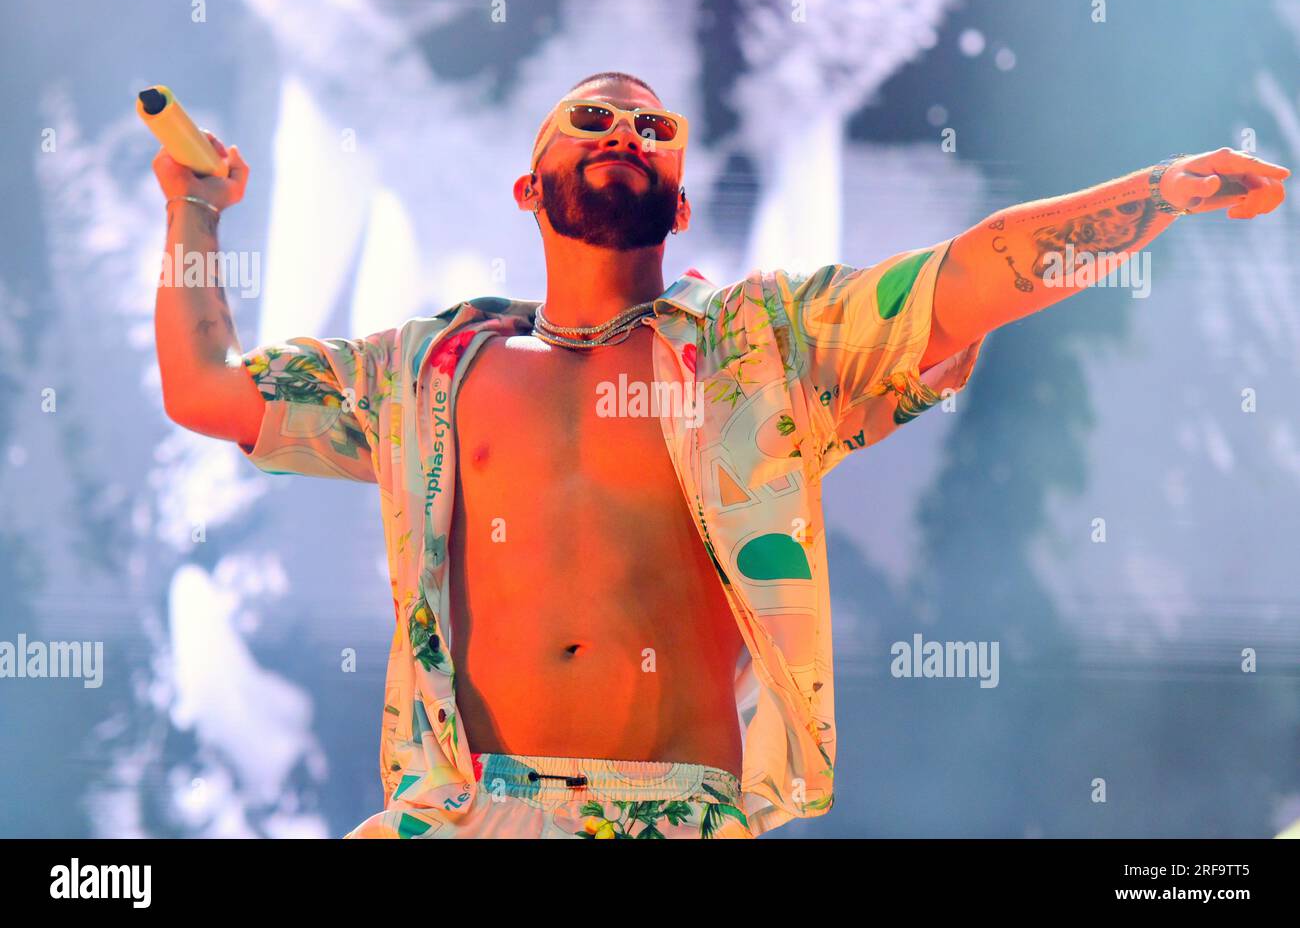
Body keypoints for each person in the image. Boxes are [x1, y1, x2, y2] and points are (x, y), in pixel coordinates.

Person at [152, 70, 1288, 838]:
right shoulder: (423, 373)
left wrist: (1154, 195)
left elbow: (971, 275)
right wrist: (195, 214)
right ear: (526, 185)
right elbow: (209, 391)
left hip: (673, 814)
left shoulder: (763, 351)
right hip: (462, 814)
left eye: (651, 129)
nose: (623, 135)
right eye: (592, 120)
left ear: (681, 201)